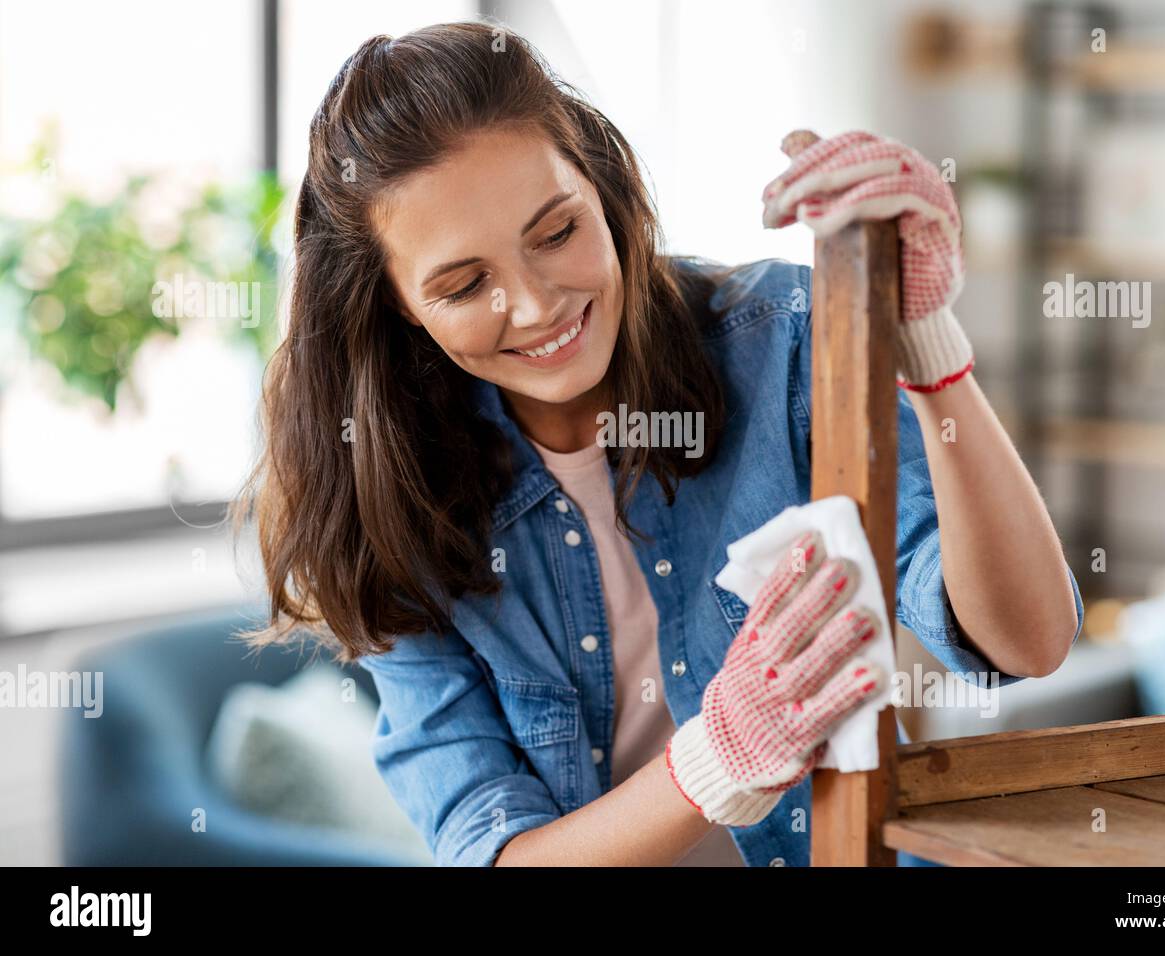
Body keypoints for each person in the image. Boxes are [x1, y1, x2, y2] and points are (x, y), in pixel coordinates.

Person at [231, 20, 1084, 867]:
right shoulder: (393, 497)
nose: (534, 307)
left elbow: (1026, 641)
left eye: (557, 233)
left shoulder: (781, 343)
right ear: (397, 306)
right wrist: (716, 758)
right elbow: (495, 855)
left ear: (601, 188)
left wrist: (928, 343)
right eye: (464, 284)